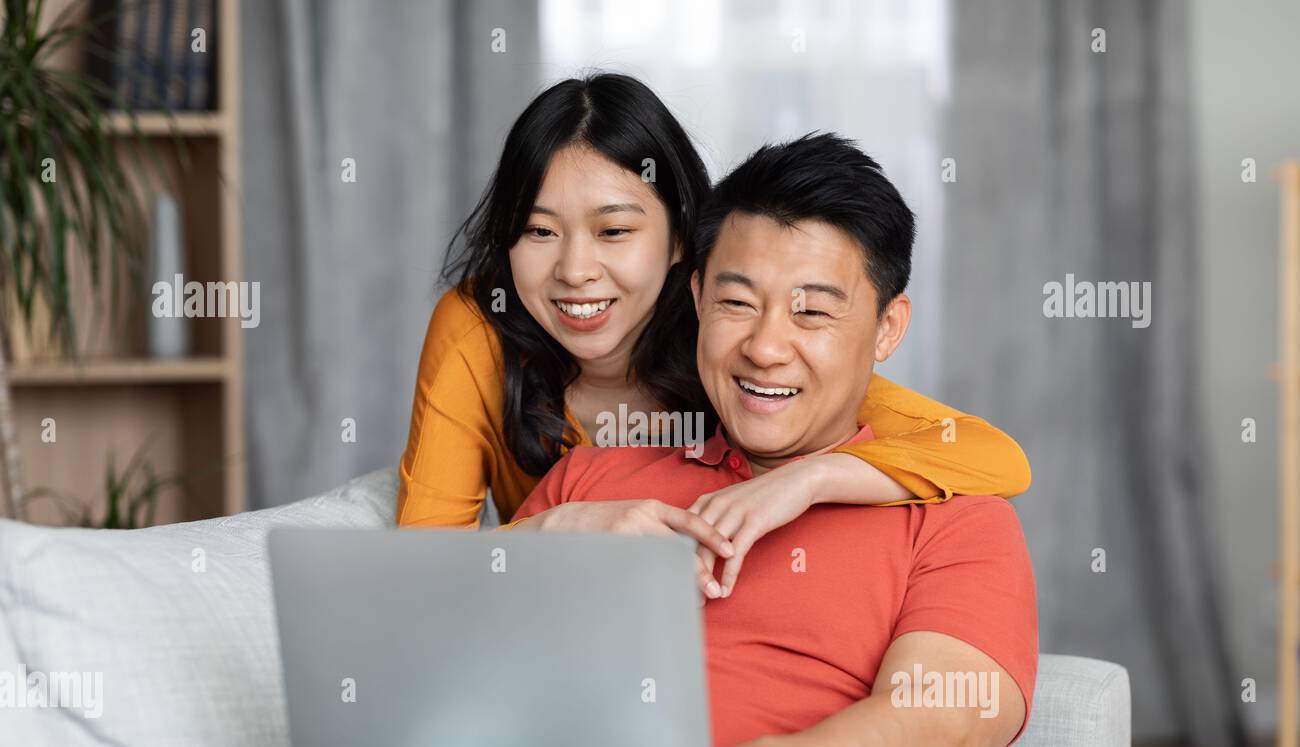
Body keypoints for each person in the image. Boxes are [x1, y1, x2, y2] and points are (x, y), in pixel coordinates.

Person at [302, 132, 1037, 747]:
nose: (766, 347)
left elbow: (935, 737)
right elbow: (434, 673)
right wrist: (548, 536)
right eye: (737, 304)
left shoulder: (957, 519)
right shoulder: (593, 482)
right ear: (696, 299)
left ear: (887, 330)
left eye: (812, 313)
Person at [396, 72, 1030, 599]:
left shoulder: (735, 335)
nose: (574, 271)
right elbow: (417, 579)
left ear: (680, 242)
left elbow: (992, 456)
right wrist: (560, 528)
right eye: (539, 232)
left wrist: (810, 478)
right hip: (556, 609)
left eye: (614, 232)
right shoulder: (479, 325)